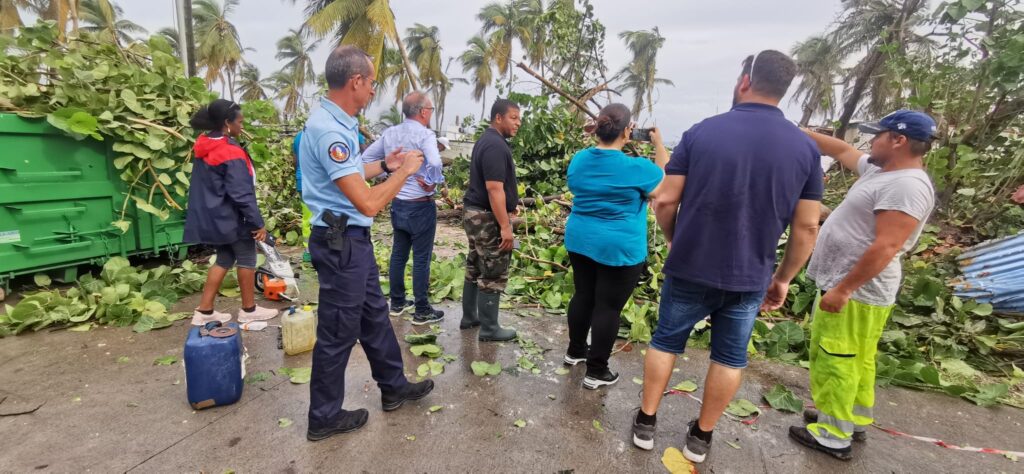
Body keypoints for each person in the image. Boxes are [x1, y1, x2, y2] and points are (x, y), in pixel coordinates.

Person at [633, 50, 823, 463]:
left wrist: (674, 239)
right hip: (750, 276)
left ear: (744, 81)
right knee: (729, 357)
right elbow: (807, 227)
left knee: (666, 341)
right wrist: (784, 278)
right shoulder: (805, 150)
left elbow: (664, 200)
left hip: (690, 266)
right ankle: (700, 438)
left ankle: (645, 424)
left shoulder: (703, 133)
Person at [299, 45, 433, 442]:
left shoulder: (335, 121)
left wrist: (385, 165)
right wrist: (406, 172)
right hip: (341, 242)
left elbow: (351, 174)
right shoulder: (328, 130)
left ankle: (393, 387)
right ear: (355, 81)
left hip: (349, 241)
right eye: (372, 82)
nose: (374, 89)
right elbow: (369, 202)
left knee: (374, 316)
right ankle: (323, 416)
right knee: (338, 331)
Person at [791, 111, 937, 461]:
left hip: (856, 291)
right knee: (858, 359)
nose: (870, 141)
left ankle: (832, 435)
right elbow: (840, 150)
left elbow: (886, 246)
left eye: (878, 135)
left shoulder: (906, 186)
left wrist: (844, 289)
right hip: (851, 287)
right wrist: (793, 131)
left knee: (836, 358)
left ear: (898, 140)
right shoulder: (881, 170)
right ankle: (851, 419)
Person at [562, 103, 669, 390]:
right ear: (627, 131)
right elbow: (663, 185)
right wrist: (658, 143)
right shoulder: (638, 168)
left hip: (580, 239)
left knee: (583, 295)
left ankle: (575, 351)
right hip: (619, 247)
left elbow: (576, 185)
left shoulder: (579, 160)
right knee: (608, 307)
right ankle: (597, 371)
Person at [183, 99, 278, 326]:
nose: (241, 126)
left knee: (224, 258)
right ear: (227, 123)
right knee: (247, 257)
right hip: (232, 215)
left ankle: (204, 311)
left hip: (214, 215)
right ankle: (248, 310)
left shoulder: (205, 144)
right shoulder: (229, 150)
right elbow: (241, 193)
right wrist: (258, 223)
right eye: (239, 122)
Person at [361, 91, 446, 325]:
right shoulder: (425, 134)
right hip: (420, 206)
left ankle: (397, 302)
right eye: (430, 110)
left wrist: (387, 171)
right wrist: (431, 180)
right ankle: (421, 310)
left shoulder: (390, 133)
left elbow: (366, 157)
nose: (430, 114)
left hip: (397, 203)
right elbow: (436, 163)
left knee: (398, 254)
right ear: (422, 112)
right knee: (421, 259)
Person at [460, 99, 522, 342]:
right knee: (493, 271)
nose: (518, 122)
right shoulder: (496, 145)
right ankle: (489, 328)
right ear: (498, 118)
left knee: (475, 264)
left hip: (475, 214)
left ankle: (470, 317)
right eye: (513, 117)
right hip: (486, 217)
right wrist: (505, 226)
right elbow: (494, 189)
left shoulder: (487, 140)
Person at [293, 130, 312, 262]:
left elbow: (295, 161)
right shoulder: (319, 133)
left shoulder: (298, 136)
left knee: (307, 217)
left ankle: (308, 252)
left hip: (302, 181)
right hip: (317, 182)